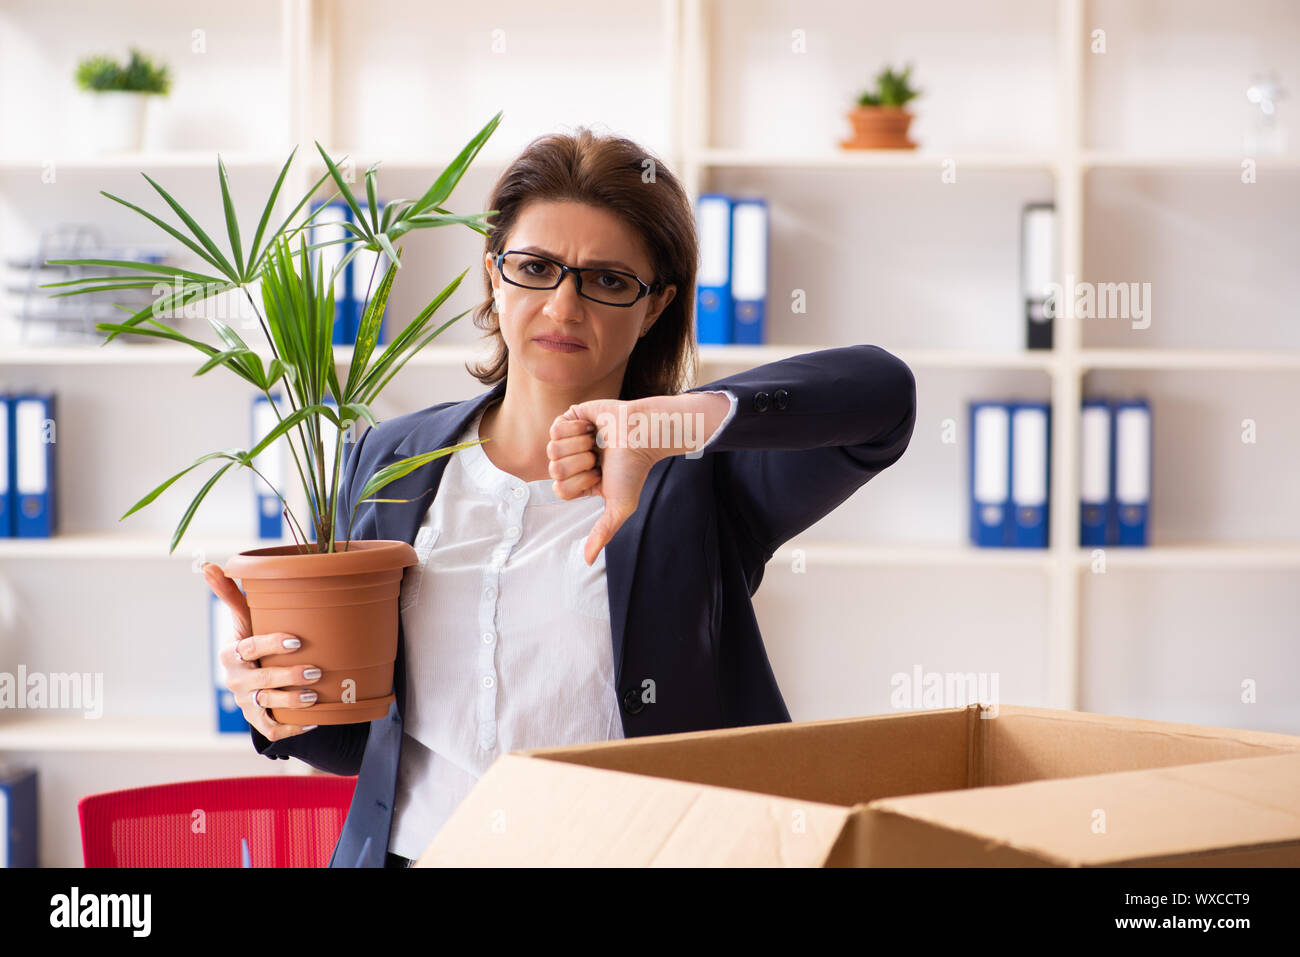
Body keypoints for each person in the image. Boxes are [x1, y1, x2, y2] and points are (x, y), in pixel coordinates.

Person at [205, 126, 917, 868]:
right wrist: (281, 694)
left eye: (609, 280)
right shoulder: (392, 457)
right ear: (493, 276)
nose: (565, 305)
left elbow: (883, 397)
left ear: (654, 306)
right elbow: (361, 744)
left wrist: (666, 422)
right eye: (537, 267)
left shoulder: (699, 478)